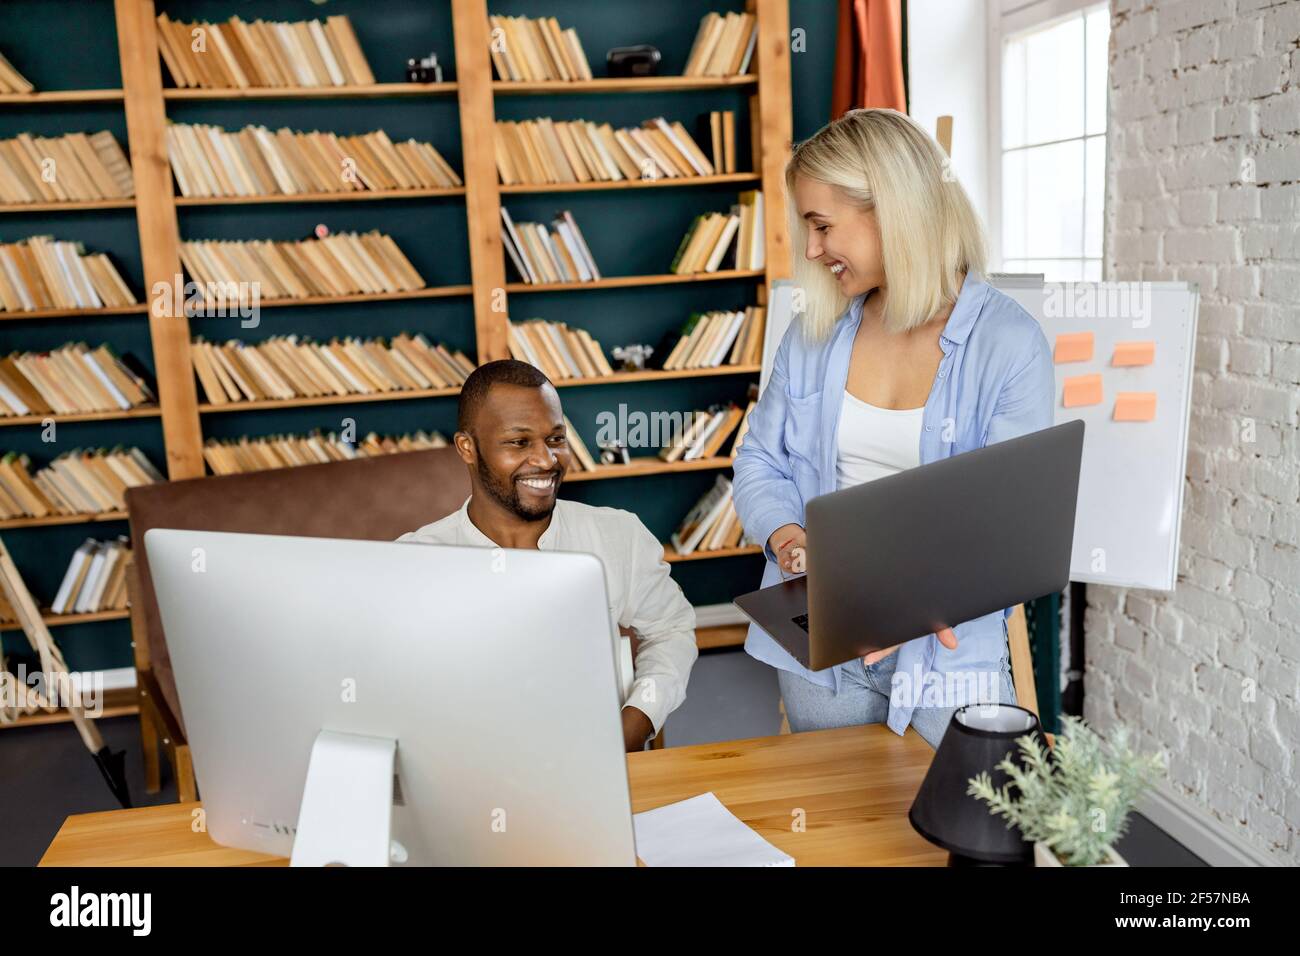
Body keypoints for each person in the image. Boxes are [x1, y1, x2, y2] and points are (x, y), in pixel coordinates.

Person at [732, 108, 1054, 750]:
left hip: (949, 658)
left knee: (962, 839)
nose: (813, 250)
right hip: (822, 649)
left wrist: (906, 606)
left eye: (823, 226)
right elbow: (760, 460)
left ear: (892, 211)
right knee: (835, 838)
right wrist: (791, 540)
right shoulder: (815, 334)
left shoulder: (1008, 345)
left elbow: (1009, 528)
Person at [398, 359, 698, 751]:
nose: (546, 460)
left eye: (555, 439)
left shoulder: (617, 535)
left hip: (593, 762)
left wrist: (636, 721)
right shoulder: (414, 562)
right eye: (519, 442)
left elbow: (671, 629)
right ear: (467, 448)